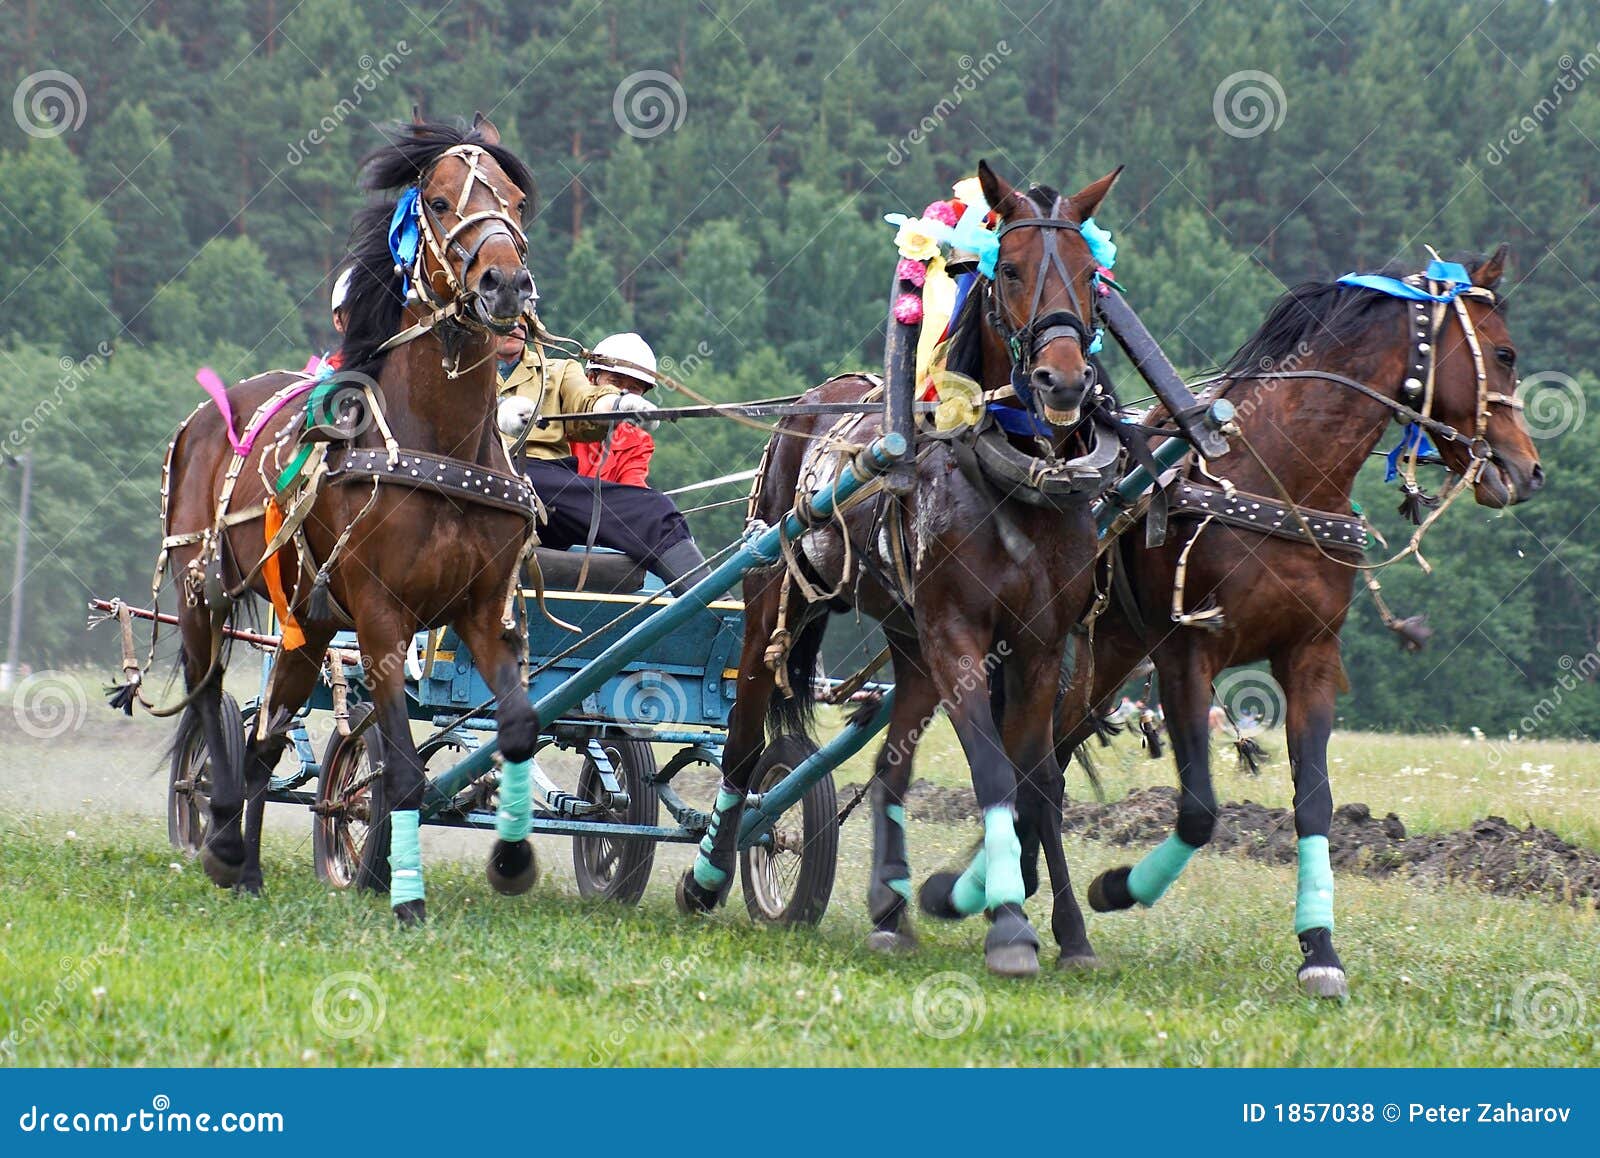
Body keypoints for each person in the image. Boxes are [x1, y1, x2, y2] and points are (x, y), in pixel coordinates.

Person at [495, 319, 710, 591]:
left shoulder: (560, 374)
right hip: (489, 474)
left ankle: (715, 607)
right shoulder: (452, 373)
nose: (513, 323)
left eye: (633, 388)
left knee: (654, 511)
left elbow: (589, 402)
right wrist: (497, 409)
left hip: (549, 497)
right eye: (616, 382)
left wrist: (617, 404)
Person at [572, 332, 658, 487]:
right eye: (615, 383)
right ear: (591, 378)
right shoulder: (565, 418)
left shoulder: (637, 441)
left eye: (633, 389)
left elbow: (633, 491)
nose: (622, 394)